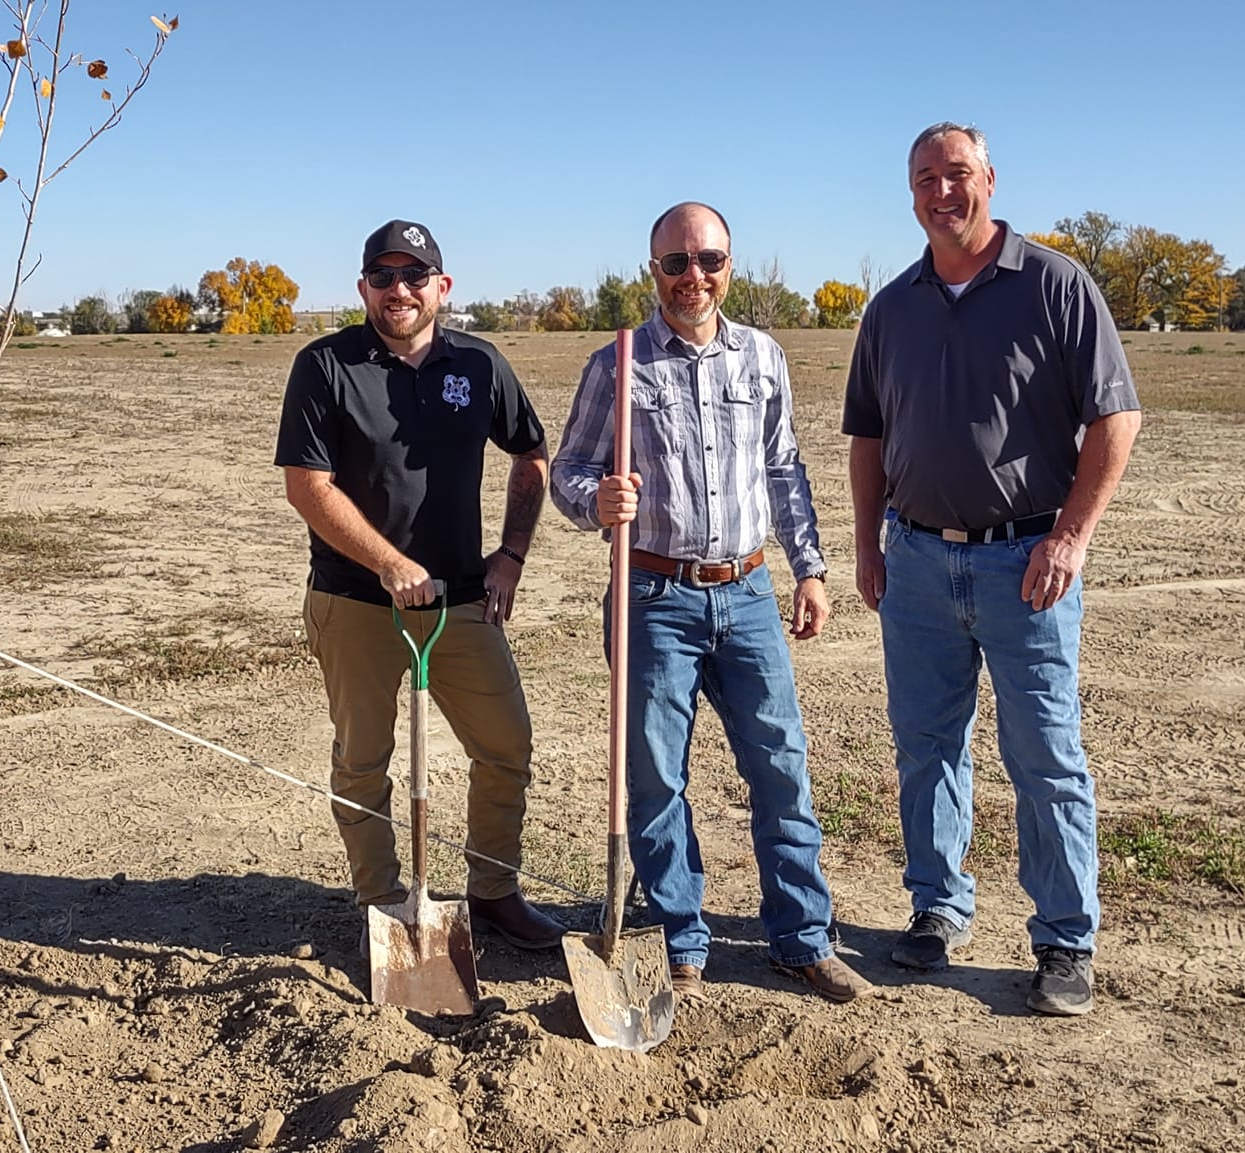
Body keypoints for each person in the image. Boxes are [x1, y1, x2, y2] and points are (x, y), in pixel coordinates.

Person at [843, 123, 1143, 1017]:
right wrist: (868, 544)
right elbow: (868, 437)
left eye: (959, 173)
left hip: (1028, 564)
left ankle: (1063, 940)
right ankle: (937, 907)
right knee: (925, 745)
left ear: (991, 180)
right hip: (920, 562)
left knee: (1046, 755)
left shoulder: (1053, 285)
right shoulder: (891, 307)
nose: (944, 190)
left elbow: (1115, 419)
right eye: (926, 177)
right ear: (910, 193)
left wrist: (1072, 537)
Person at [551, 202, 870, 1004]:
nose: (694, 276)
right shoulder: (617, 364)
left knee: (781, 766)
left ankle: (800, 937)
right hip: (654, 593)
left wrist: (811, 569)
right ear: (652, 270)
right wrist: (599, 501)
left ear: (731, 266)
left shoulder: (763, 357)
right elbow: (567, 472)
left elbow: (785, 468)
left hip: (751, 591)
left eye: (710, 260)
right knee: (658, 777)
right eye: (677, 263)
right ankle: (681, 941)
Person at [275, 218, 566, 951]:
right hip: (354, 600)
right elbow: (308, 486)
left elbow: (531, 454)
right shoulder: (327, 365)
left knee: (506, 744)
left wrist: (512, 555)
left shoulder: (480, 363)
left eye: (414, 275)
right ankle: (382, 905)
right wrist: (386, 561)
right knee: (363, 760)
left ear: (443, 286)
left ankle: (495, 889)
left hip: (459, 601)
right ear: (363, 287)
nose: (398, 289)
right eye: (383, 276)